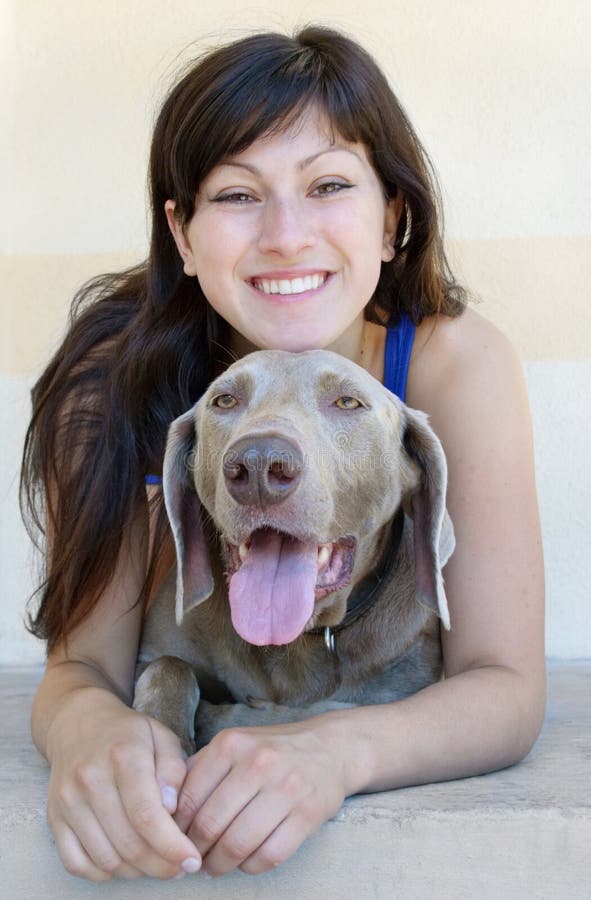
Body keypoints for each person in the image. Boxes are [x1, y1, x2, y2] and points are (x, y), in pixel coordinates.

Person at [20, 26, 545, 882]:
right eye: (236, 196)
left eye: (328, 185)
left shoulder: (453, 364)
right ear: (182, 235)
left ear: (391, 220)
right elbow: (83, 667)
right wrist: (96, 734)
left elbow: (505, 687)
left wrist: (333, 753)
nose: (286, 235)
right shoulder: (108, 382)